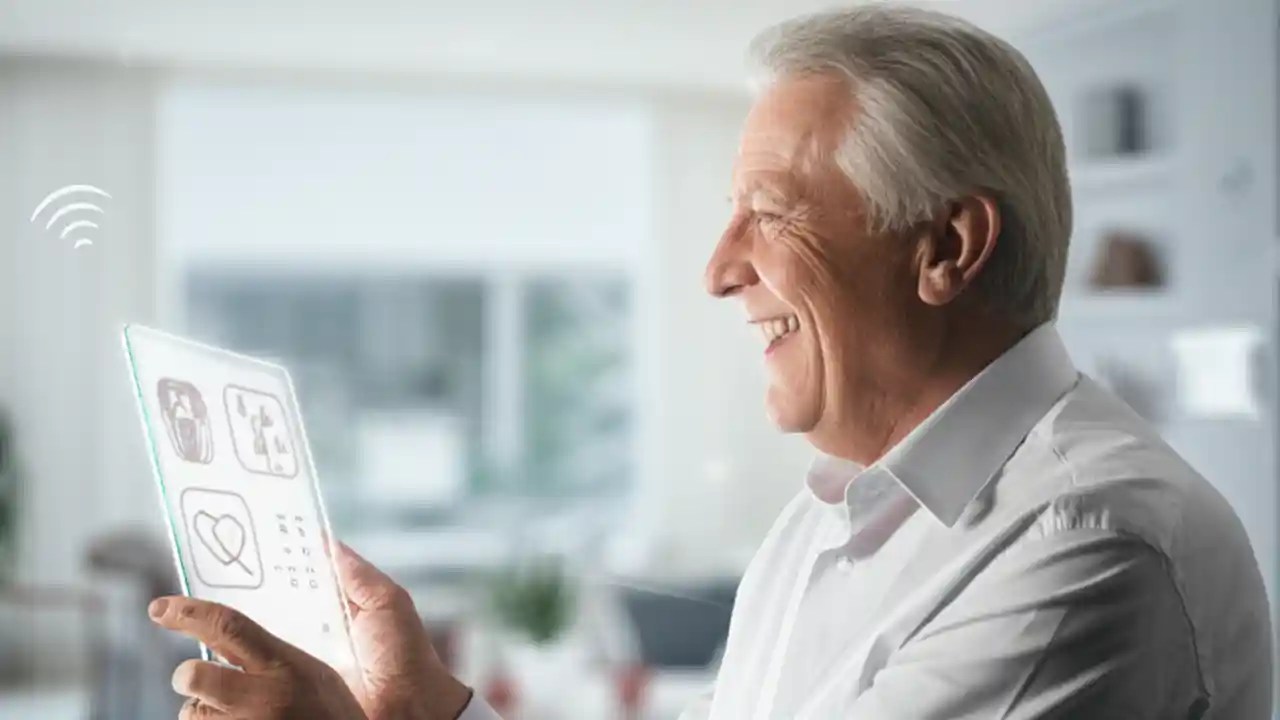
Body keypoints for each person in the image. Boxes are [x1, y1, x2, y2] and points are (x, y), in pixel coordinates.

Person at [148, 5, 1274, 719]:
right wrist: (428, 712)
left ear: (946, 247)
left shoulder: (1087, 549)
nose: (716, 271)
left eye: (768, 215)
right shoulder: (823, 521)